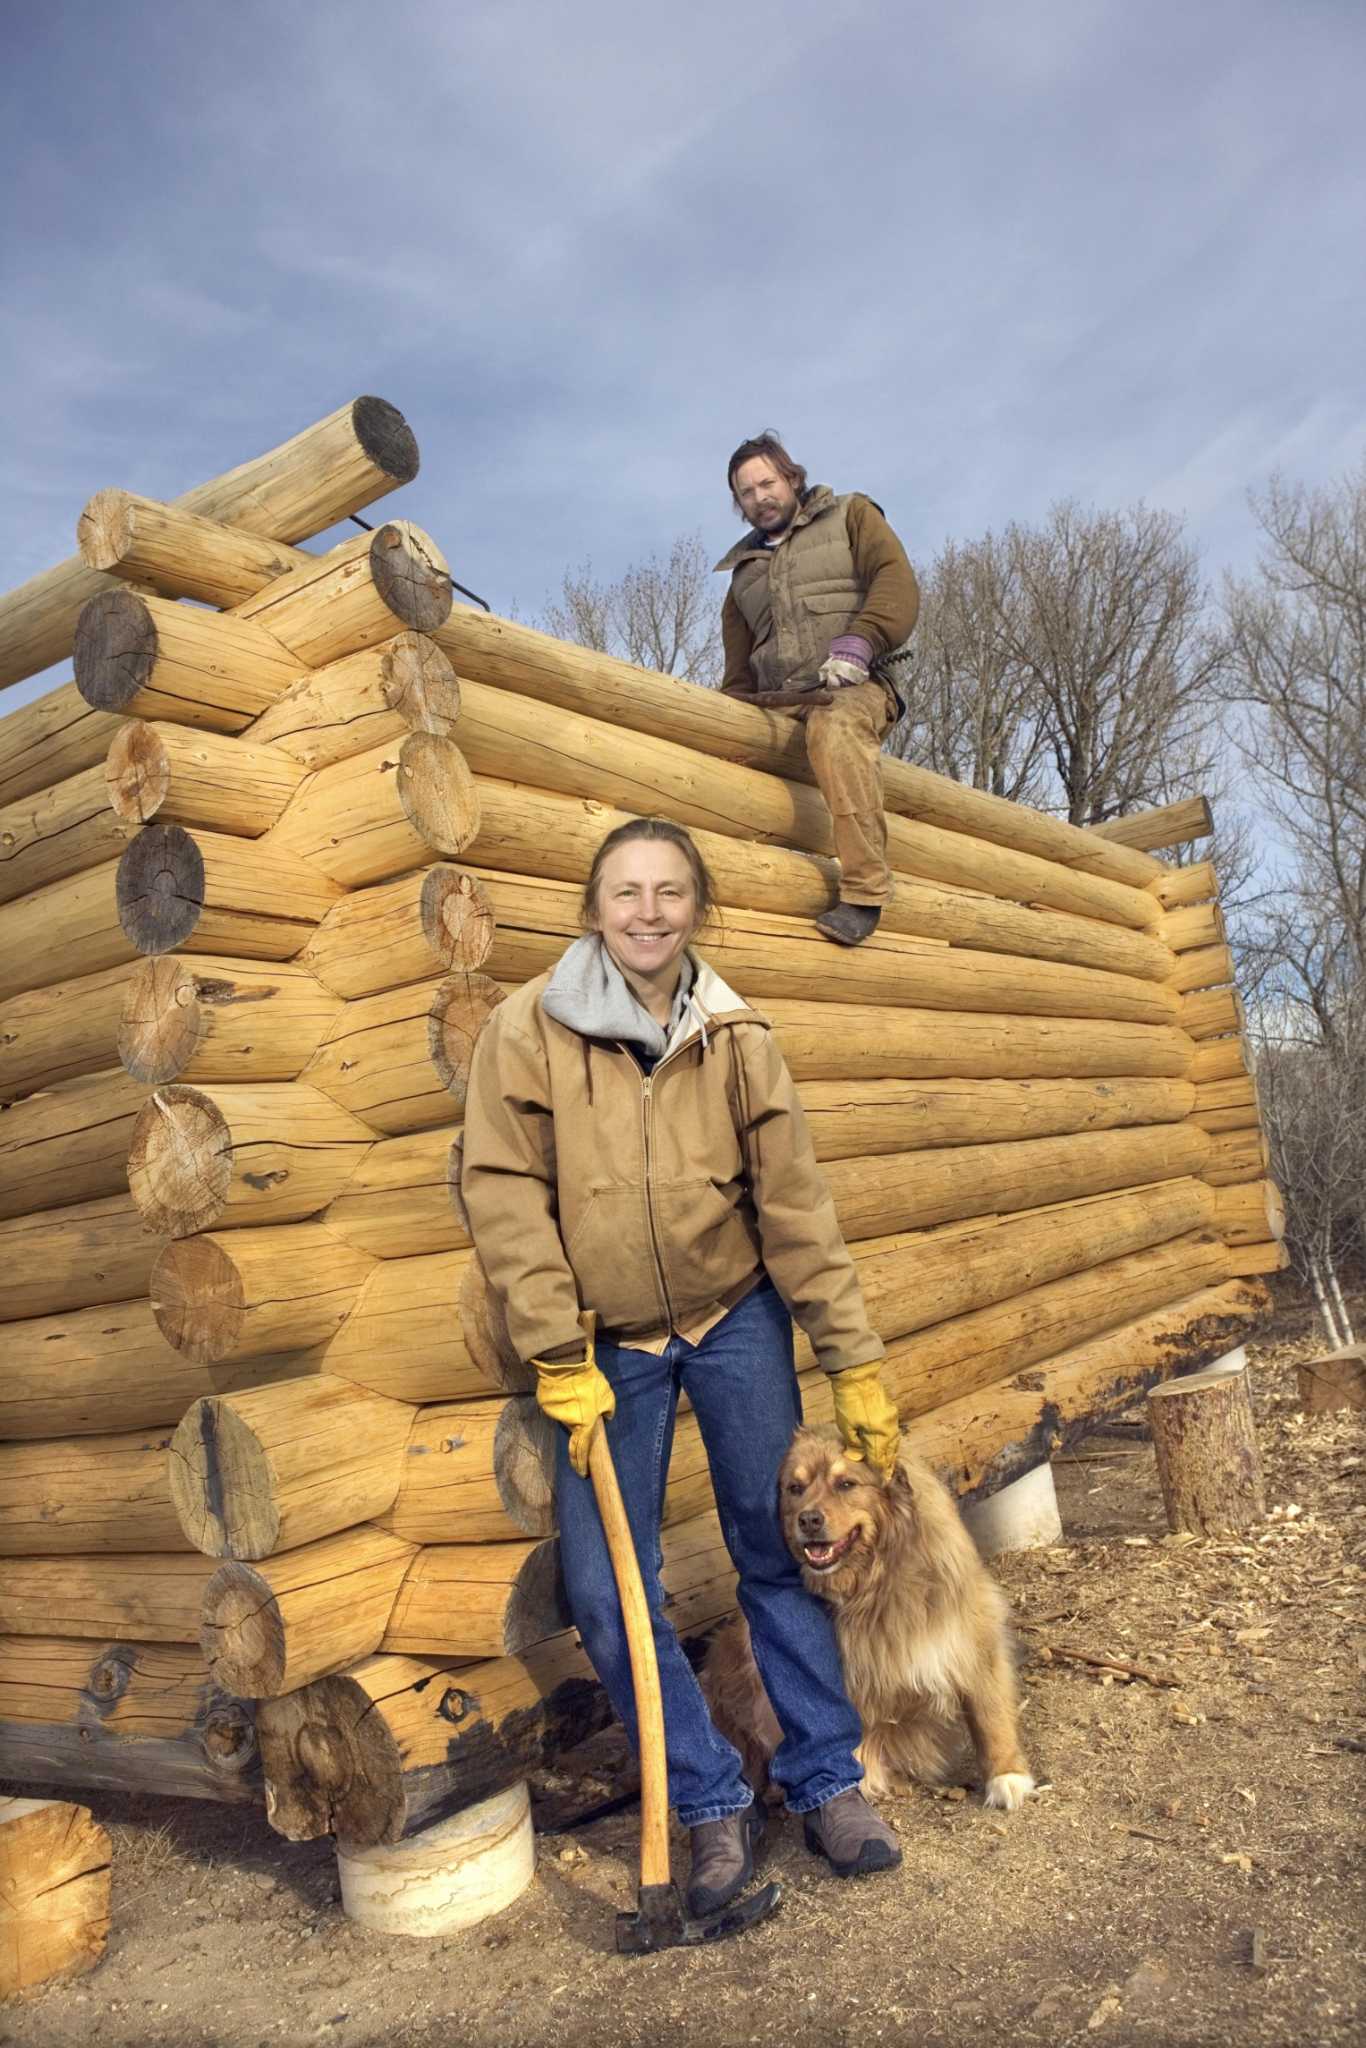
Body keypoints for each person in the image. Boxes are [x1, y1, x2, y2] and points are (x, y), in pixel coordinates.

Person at [461, 817, 905, 1912]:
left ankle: (824, 1779)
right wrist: (555, 1345)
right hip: (603, 1346)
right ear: (593, 906)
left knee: (780, 1554)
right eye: (626, 890)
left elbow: (795, 1206)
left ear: (695, 906)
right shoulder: (530, 1028)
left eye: (668, 891)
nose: (648, 910)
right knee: (610, 1587)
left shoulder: (736, 1033)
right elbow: (503, 1193)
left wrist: (851, 1357)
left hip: (733, 1315)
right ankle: (708, 1800)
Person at [716, 431, 920, 947]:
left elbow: (895, 580)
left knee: (835, 727)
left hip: (850, 688)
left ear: (791, 478)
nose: (760, 497)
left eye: (767, 482)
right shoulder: (742, 575)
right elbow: (737, 671)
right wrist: (726, 723)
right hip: (775, 702)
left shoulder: (851, 515)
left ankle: (865, 890)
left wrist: (862, 640)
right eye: (746, 492)